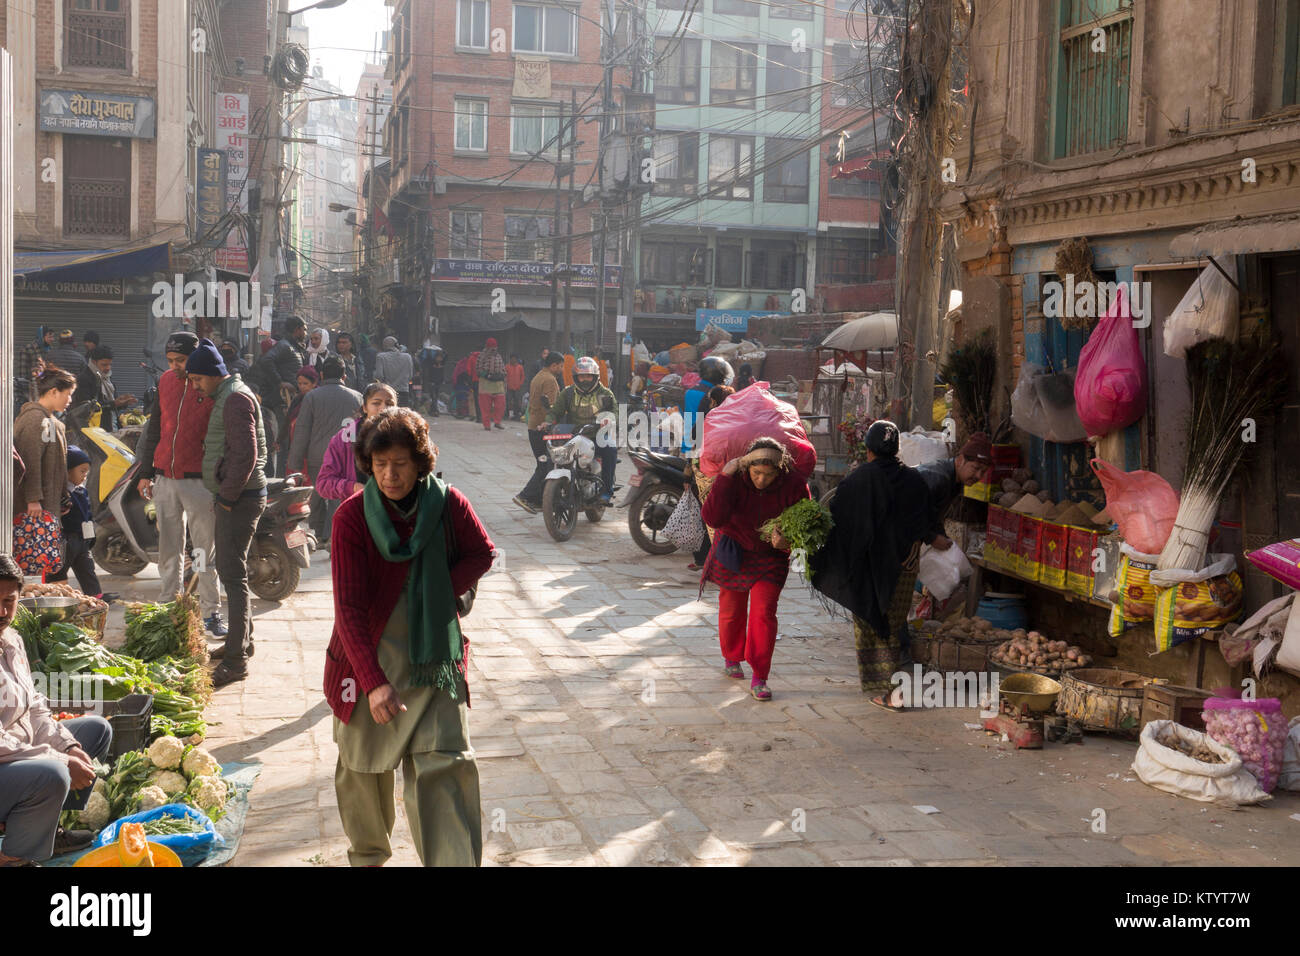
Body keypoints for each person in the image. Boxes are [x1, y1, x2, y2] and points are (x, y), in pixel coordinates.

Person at [326, 408, 494, 866]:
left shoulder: (448, 504)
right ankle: (369, 859)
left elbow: (482, 552)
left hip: (432, 661)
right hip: (369, 662)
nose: (390, 474)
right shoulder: (351, 518)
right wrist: (373, 681)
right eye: (379, 465)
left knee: (446, 769)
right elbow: (349, 610)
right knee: (361, 771)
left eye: (399, 463)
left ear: (421, 463)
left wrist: (438, 592)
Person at [0, 552, 114, 865]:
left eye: (9, 600)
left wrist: (69, 746)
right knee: (53, 773)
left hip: (17, 756)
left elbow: (34, 707)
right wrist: (59, 759)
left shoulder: (11, 640)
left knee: (95, 731)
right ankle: (13, 857)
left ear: (19, 598)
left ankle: (45, 828)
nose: (1, 611)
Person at [810, 420, 931, 711]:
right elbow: (925, 522)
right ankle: (893, 690)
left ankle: (890, 693)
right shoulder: (914, 480)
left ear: (868, 450)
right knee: (892, 623)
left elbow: (839, 520)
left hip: (869, 570)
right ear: (897, 449)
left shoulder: (858, 480)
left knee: (872, 625)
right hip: (904, 568)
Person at [697, 439, 810, 701]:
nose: (761, 480)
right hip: (734, 550)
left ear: (779, 471)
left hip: (771, 557)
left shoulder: (794, 485)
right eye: (756, 473)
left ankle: (760, 675)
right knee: (731, 610)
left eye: (768, 475)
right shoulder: (733, 478)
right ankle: (732, 656)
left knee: (763, 614)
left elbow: (805, 520)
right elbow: (712, 518)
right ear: (746, 467)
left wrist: (788, 539)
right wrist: (724, 477)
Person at [186, 339, 268, 687]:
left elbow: (246, 455)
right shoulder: (229, 394)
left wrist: (228, 497)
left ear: (212, 374)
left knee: (233, 578)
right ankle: (241, 643)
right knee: (234, 574)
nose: (195, 386)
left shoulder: (234, 398)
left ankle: (235, 662)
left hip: (241, 497)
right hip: (239, 495)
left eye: (197, 379)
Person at [135, 331, 224, 637]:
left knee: (203, 552)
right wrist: (145, 472)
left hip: (199, 482)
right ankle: (167, 606)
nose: (174, 366)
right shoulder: (165, 383)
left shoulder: (211, 387)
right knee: (169, 548)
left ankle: (211, 612)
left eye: (181, 360)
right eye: (170, 360)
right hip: (164, 479)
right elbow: (154, 429)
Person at [287, 357, 362, 547]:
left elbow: (302, 429)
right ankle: (332, 534)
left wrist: (294, 462)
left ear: (321, 375)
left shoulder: (312, 397)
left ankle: (320, 533)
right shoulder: (357, 397)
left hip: (318, 455)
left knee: (319, 493)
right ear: (344, 375)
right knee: (338, 496)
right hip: (347, 456)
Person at [12, 369, 77, 574]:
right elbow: (29, 462)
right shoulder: (35, 420)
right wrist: (33, 498)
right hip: (34, 506)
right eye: (68, 393)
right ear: (54, 392)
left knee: (40, 560)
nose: (70, 400)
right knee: (29, 559)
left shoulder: (50, 420)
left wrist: (63, 496)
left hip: (46, 503)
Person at [546, 356, 618, 504]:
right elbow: (555, 412)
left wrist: (608, 419)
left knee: (610, 449)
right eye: (581, 376)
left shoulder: (606, 393)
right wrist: (547, 422)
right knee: (552, 453)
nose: (584, 380)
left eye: (588, 376)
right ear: (576, 377)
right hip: (575, 434)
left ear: (595, 377)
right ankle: (548, 491)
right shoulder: (568, 393)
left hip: (597, 435)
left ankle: (607, 491)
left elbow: (615, 411)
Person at [316, 383, 398, 505]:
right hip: (358, 510)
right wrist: (354, 487)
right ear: (365, 407)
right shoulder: (345, 439)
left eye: (390, 404)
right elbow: (324, 484)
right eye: (376, 403)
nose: (383, 408)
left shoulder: (405, 436)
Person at [684, 385, 735, 571]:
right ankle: (718, 559)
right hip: (728, 477)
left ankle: (704, 559)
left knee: (705, 517)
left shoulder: (708, 419)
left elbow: (694, 447)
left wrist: (688, 474)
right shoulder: (737, 419)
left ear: (715, 400)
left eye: (711, 399)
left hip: (705, 476)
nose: (710, 402)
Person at [251, 316, 309, 476]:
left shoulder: (295, 347)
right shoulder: (285, 346)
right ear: (296, 329)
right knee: (284, 441)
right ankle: (280, 478)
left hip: (292, 400)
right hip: (283, 401)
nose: (305, 332)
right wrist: (281, 382)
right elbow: (266, 361)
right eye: (304, 329)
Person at [917, 432, 993, 552]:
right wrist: (932, 538)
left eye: (983, 472)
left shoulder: (955, 482)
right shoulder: (939, 478)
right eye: (976, 468)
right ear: (960, 460)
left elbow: (932, 515)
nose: (978, 476)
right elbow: (909, 511)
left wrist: (941, 536)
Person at [48, 445, 103, 599]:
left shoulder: (82, 490)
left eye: (87, 472)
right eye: (82, 471)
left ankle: (95, 596)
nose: (85, 475)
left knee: (87, 569)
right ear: (67, 471)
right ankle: (57, 597)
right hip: (65, 539)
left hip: (82, 540)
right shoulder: (61, 494)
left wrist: (91, 536)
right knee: (59, 569)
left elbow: (88, 514)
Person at [513, 351, 565, 513]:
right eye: (561, 366)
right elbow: (552, 406)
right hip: (543, 429)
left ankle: (538, 500)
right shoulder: (550, 380)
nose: (562, 369)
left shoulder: (538, 376)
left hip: (533, 427)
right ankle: (525, 496)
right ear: (554, 365)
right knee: (545, 465)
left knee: (544, 464)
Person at [73, 345, 135, 431]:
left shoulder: (107, 378)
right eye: (104, 364)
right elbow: (85, 408)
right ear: (94, 362)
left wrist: (123, 403)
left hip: (110, 426)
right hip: (93, 430)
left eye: (110, 364)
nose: (108, 368)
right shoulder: (84, 379)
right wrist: (114, 404)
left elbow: (112, 405)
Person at [682, 356, 733, 456]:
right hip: (701, 448)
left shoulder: (691, 391)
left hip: (687, 444)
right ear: (716, 375)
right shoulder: (713, 394)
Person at [284, 366, 320, 473]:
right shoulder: (297, 399)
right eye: (299, 384)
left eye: (305, 383)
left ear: (314, 383)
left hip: (310, 447)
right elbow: (288, 420)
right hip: (296, 445)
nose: (302, 387)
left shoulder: (318, 398)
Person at [16, 327, 55, 411]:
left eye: (53, 337)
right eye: (49, 337)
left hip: (45, 388)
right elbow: (22, 374)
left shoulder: (49, 349)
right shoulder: (27, 349)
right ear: (42, 336)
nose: (52, 339)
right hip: (30, 390)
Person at [475, 338, 507, 430]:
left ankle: (497, 422)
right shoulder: (482, 356)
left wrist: (501, 376)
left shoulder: (498, 356)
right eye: (491, 348)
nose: (493, 350)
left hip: (498, 384)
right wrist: (487, 375)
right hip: (485, 384)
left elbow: (503, 369)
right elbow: (478, 369)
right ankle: (487, 425)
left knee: (500, 405)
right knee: (485, 407)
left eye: (495, 347)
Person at [373, 336, 414, 406]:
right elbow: (410, 376)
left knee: (389, 415)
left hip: (387, 391)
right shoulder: (407, 357)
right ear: (397, 345)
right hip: (403, 391)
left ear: (384, 346)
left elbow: (379, 376)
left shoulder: (381, 357)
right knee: (401, 415)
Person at [424, 349, 446, 417]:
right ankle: (435, 411)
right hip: (432, 382)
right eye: (438, 357)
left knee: (435, 398)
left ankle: (432, 411)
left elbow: (442, 374)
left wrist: (442, 381)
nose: (440, 359)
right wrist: (430, 381)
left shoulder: (442, 364)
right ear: (436, 357)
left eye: (441, 357)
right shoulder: (432, 364)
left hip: (438, 383)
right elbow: (429, 374)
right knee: (433, 397)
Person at [505, 354, 526, 422]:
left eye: (514, 359)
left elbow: (522, 377)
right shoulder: (507, 367)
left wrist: (520, 384)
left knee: (517, 402)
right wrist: (506, 384)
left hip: (517, 388)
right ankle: (506, 415)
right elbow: (505, 376)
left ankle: (516, 415)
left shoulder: (520, 367)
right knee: (507, 401)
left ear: (516, 359)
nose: (513, 360)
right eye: (512, 359)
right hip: (509, 387)